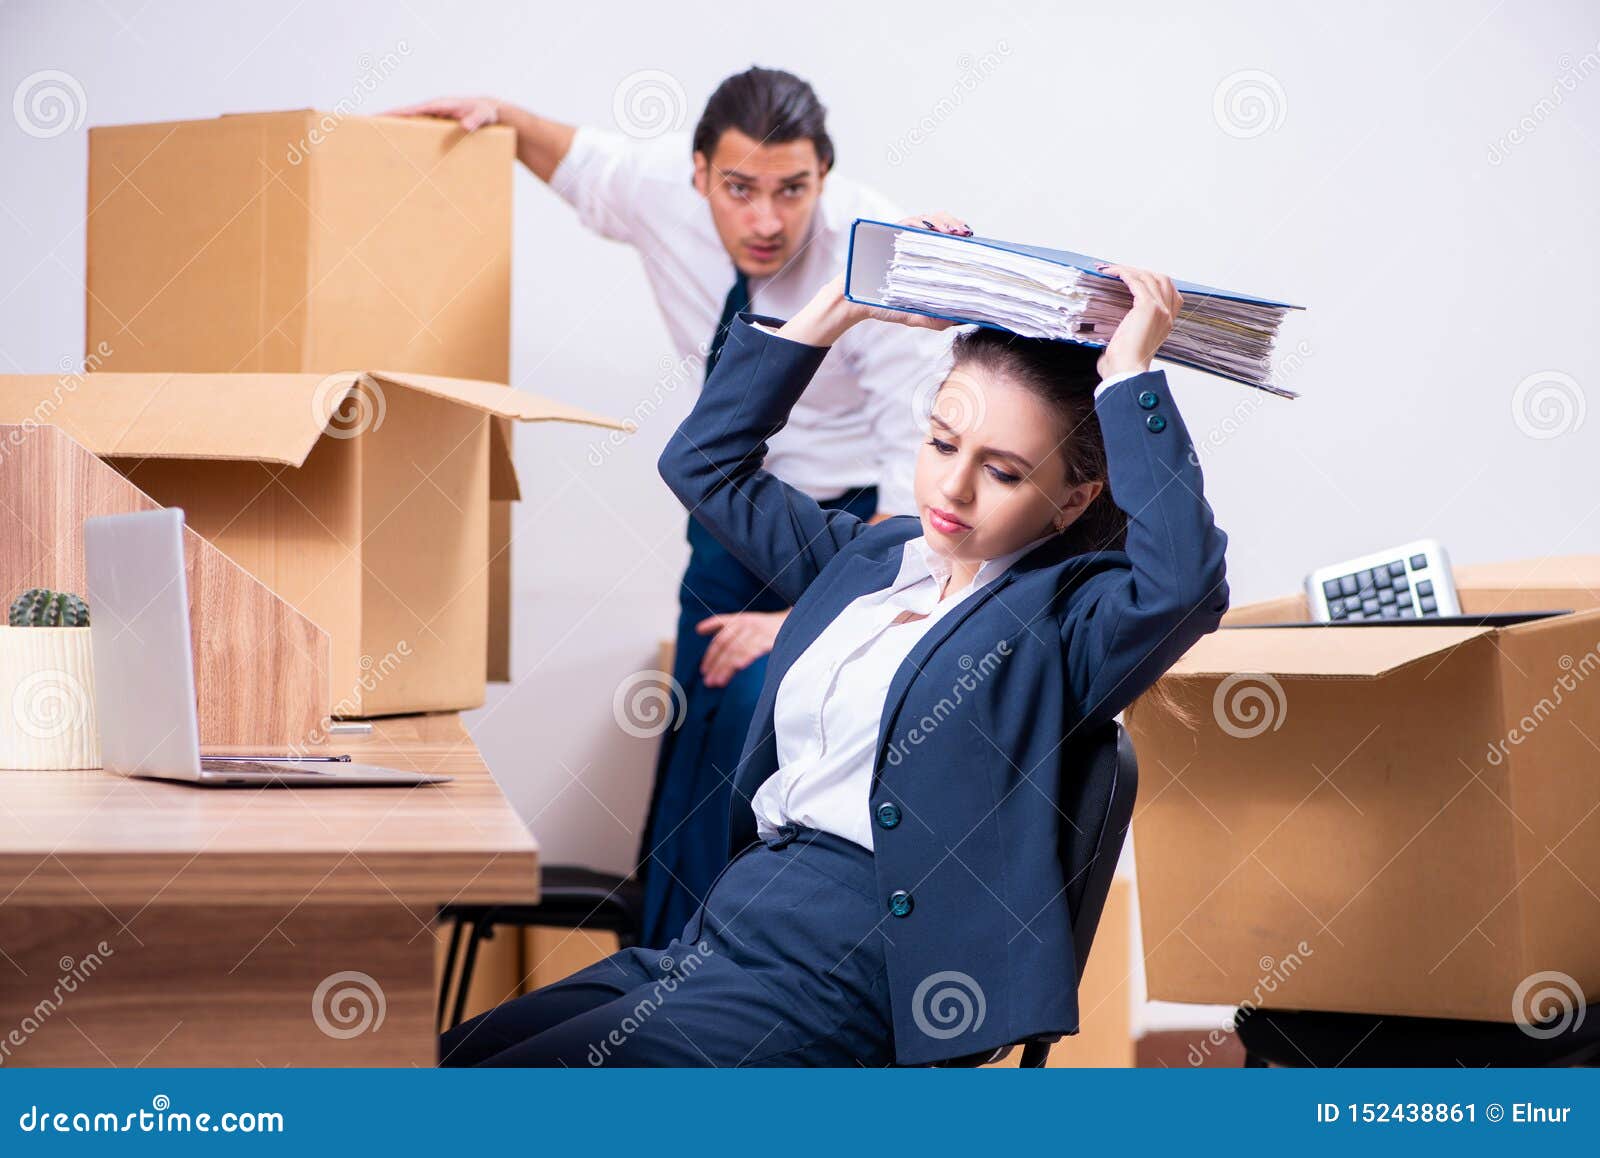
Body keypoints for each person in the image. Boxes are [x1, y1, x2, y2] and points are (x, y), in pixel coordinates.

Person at [437, 215, 1231, 1067]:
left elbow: (1185, 583)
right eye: (941, 443)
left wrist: (1132, 380)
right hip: (721, 934)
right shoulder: (869, 560)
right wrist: (845, 305)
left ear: (1073, 501)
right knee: (441, 1061)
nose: (953, 486)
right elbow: (704, 464)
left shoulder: (1062, 624)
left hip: (853, 966)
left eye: (1003, 471)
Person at [390, 70, 955, 946]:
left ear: (826, 178)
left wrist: (810, 617)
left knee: (760, 724)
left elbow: (914, 493)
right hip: (732, 502)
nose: (766, 221)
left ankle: (739, 973)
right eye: (740, 190)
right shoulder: (660, 192)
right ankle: (660, 965)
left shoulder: (869, 258)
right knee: (692, 726)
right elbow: (574, 157)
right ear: (699, 177)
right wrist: (498, 113)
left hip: (847, 525)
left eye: (792, 190)